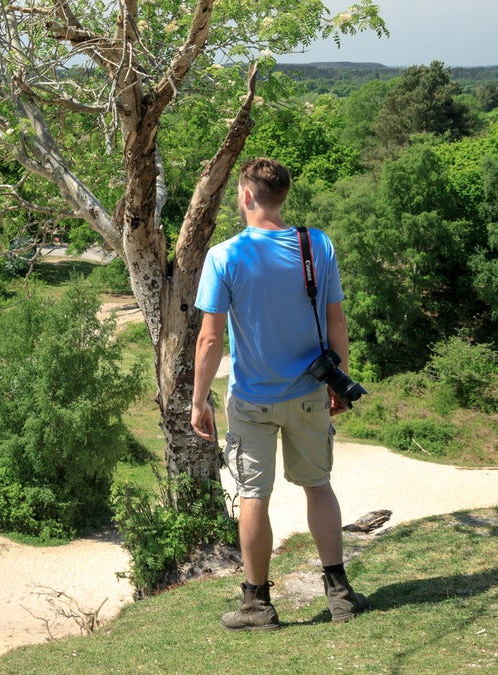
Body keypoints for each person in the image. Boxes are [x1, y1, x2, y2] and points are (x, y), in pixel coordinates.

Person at [190, 157, 369, 631]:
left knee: (254, 496)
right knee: (318, 486)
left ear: (247, 196)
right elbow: (336, 321)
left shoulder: (224, 256)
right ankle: (340, 595)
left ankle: (257, 606)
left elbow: (210, 339)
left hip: (252, 400)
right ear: (283, 195)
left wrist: (199, 399)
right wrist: (340, 381)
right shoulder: (317, 246)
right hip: (311, 391)